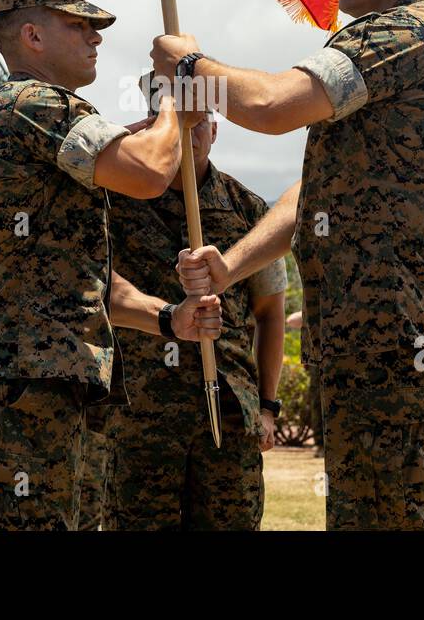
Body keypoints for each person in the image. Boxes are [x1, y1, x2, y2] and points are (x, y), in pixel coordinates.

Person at [161, 0, 424, 530]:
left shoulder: (408, 33)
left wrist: (193, 65)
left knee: (384, 518)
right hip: (367, 328)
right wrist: (233, 266)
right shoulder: (384, 42)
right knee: (368, 513)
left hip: (393, 327)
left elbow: (273, 106)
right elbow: (315, 195)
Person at [0, 0, 222, 530]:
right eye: (77, 25)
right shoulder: (32, 102)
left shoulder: (44, 120)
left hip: (43, 383)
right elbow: (146, 173)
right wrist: (174, 102)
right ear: (31, 36)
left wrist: (168, 320)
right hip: (16, 386)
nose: (95, 37)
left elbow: (86, 284)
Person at [103, 106, 287, 529]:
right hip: (140, 416)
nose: (189, 131)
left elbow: (270, 314)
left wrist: (268, 406)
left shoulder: (248, 210)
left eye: (198, 120)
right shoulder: (116, 201)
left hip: (226, 412)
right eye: (173, 119)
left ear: (215, 129)